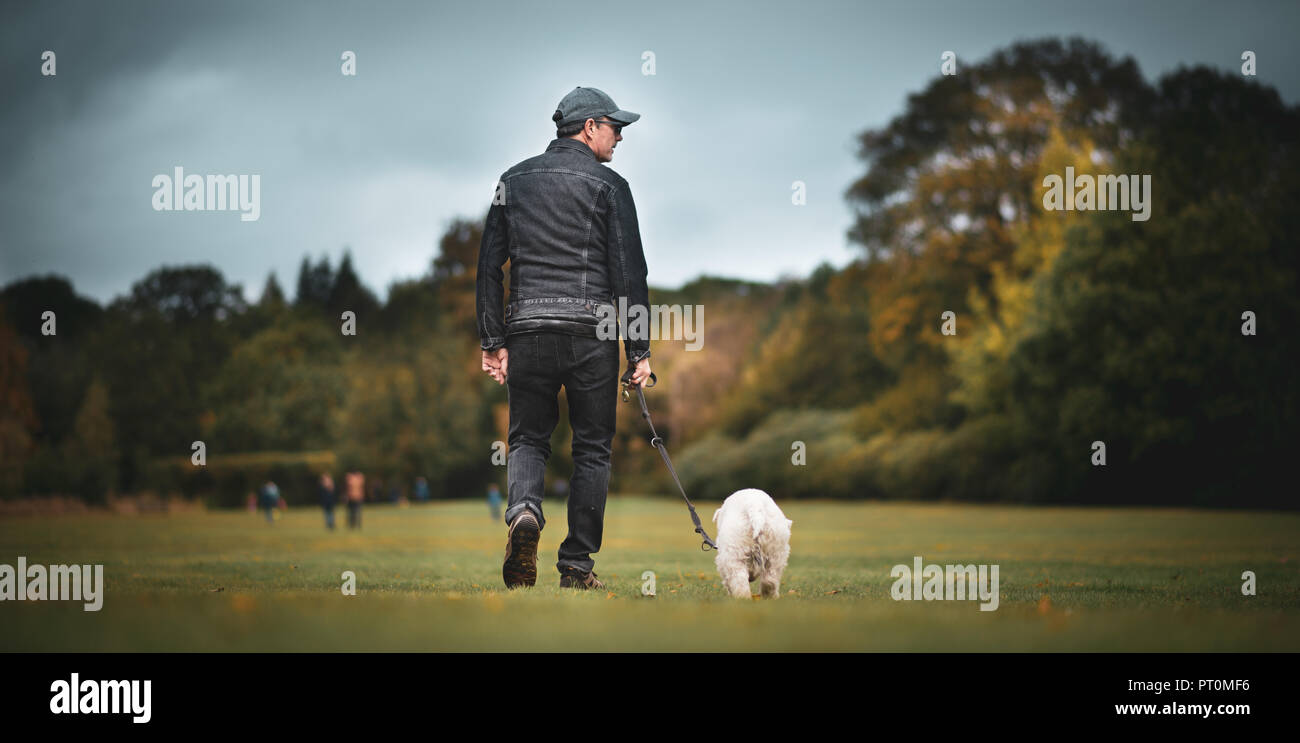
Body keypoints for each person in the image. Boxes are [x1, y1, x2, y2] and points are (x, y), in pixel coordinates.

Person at [476, 86, 653, 590]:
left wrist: (493, 341)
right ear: (589, 126)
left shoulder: (512, 180)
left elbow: (489, 267)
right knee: (592, 448)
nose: (620, 136)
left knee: (528, 438)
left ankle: (525, 512)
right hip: (591, 335)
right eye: (615, 126)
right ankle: (576, 566)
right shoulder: (611, 186)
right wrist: (638, 352)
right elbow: (629, 274)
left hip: (526, 330)